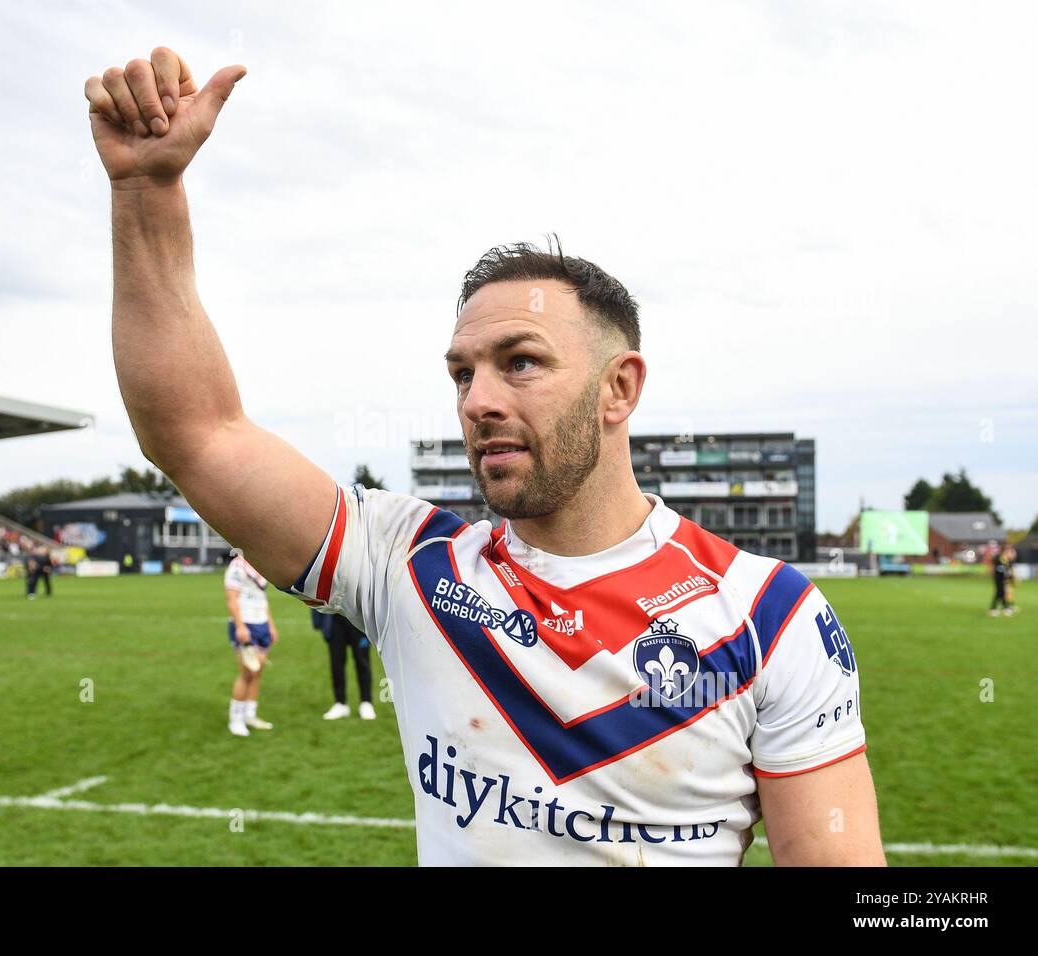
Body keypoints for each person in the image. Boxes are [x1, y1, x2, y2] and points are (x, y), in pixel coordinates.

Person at [85, 46, 885, 865]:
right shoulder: (405, 564)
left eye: (521, 363)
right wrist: (146, 191)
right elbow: (197, 433)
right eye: (462, 374)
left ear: (620, 389)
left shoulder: (770, 617)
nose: (478, 401)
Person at [224, 550, 277, 737]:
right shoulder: (237, 567)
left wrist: (270, 625)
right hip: (245, 624)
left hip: (261, 624)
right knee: (247, 673)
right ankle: (235, 720)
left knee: (258, 672)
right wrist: (240, 626)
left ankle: (250, 715)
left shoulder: (260, 567)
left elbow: (262, 598)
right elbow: (231, 600)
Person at [312, 609, 375, 720]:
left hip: (358, 617)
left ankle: (366, 702)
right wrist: (317, 619)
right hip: (334, 617)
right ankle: (340, 703)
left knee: (362, 661)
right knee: (336, 661)